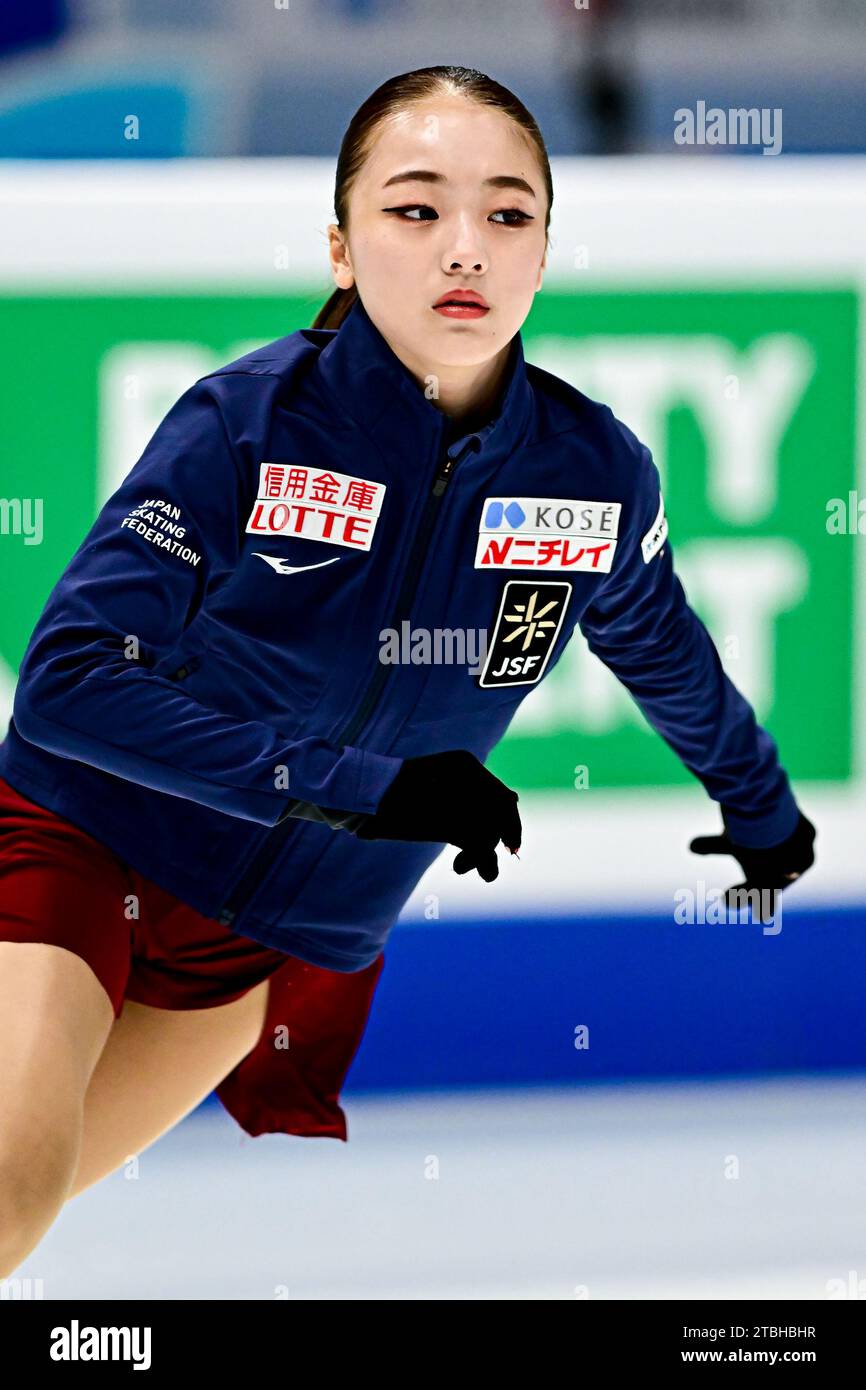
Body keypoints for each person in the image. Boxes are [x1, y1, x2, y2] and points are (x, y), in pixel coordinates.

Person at [0, 64, 815, 1276]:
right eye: (415, 208)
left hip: (263, 942)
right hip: (84, 848)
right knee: (11, 1180)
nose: (465, 251)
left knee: (24, 1212)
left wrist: (759, 811)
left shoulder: (592, 470)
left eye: (506, 214)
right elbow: (66, 681)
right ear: (340, 246)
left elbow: (660, 645)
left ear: (545, 251)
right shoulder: (243, 425)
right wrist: (360, 785)